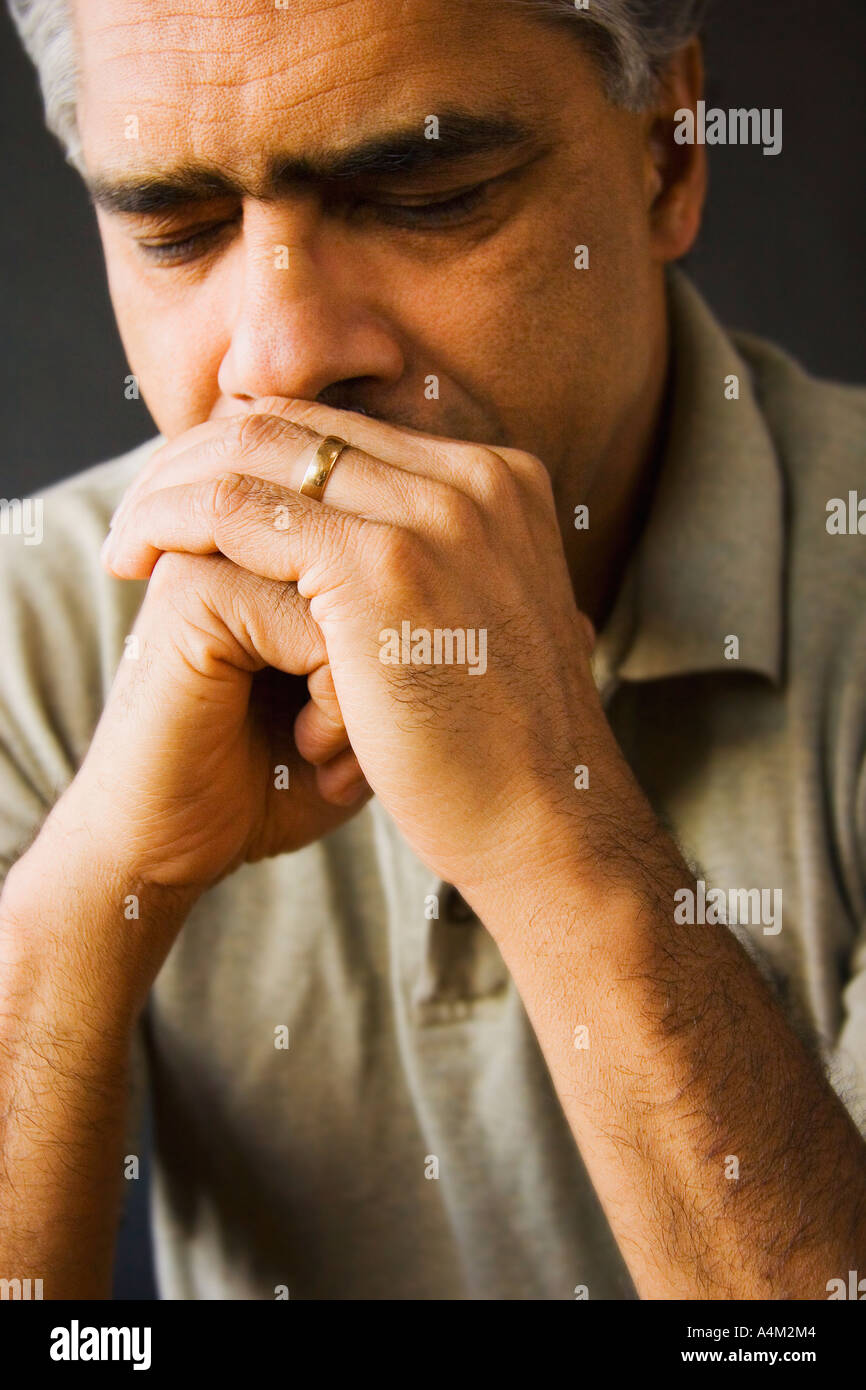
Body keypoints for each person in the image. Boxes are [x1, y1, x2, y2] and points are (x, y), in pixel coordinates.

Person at [1, 0, 864, 1301]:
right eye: (176, 228)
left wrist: (552, 827)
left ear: (669, 152)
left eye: (423, 193)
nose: (277, 355)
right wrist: (94, 887)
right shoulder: (36, 618)